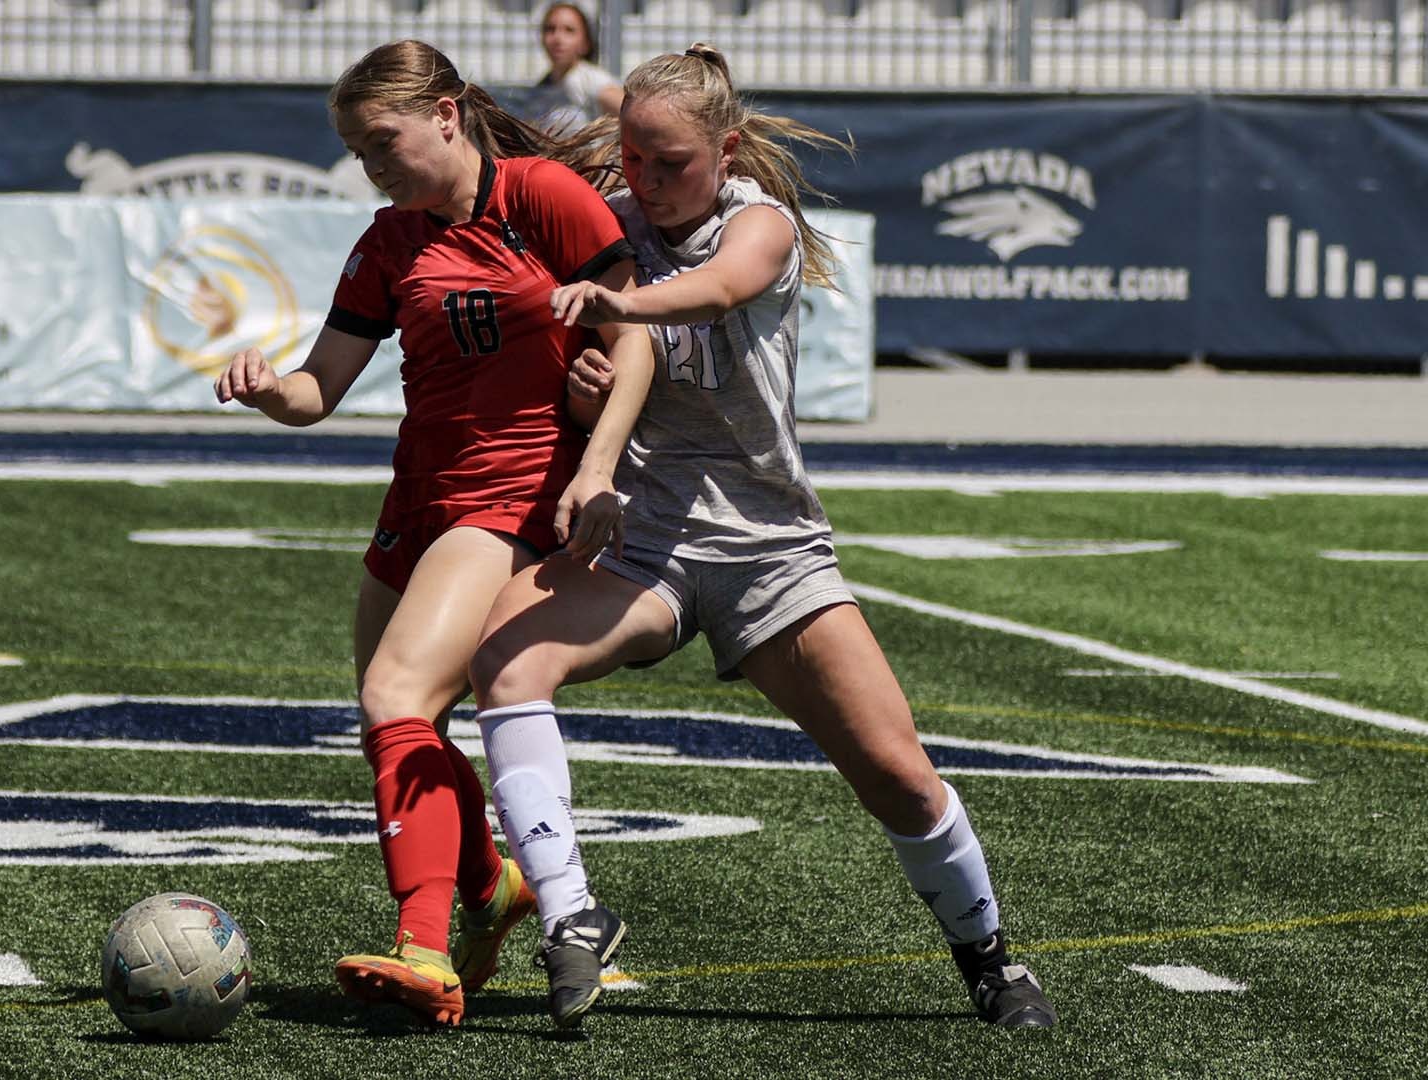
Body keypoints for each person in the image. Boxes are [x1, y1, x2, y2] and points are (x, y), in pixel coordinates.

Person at [466, 45, 1060, 1029]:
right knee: (505, 657)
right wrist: (585, 403)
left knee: (899, 775)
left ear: (725, 149)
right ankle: (571, 917)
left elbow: (711, 293)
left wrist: (621, 305)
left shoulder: (760, 224)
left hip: (769, 548)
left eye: (672, 164)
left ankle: (990, 959)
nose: (649, 183)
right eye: (635, 161)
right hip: (647, 542)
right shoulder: (609, 230)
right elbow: (594, 372)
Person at [213, 39, 654, 1029]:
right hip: (417, 501)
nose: (372, 167)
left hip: (508, 500)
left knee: (395, 692)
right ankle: (494, 886)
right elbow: (319, 388)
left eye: (383, 142)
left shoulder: (541, 197)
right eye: (358, 151)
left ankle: (425, 948)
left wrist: (594, 466)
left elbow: (635, 340)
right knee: (397, 722)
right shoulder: (387, 238)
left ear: (447, 114)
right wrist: (265, 388)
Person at [521, 2, 624, 137]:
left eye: (569, 30)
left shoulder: (591, 79)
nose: (558, 38)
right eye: (550, 29)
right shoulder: (541, 89)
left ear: (585, 43)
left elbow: (629, 112)